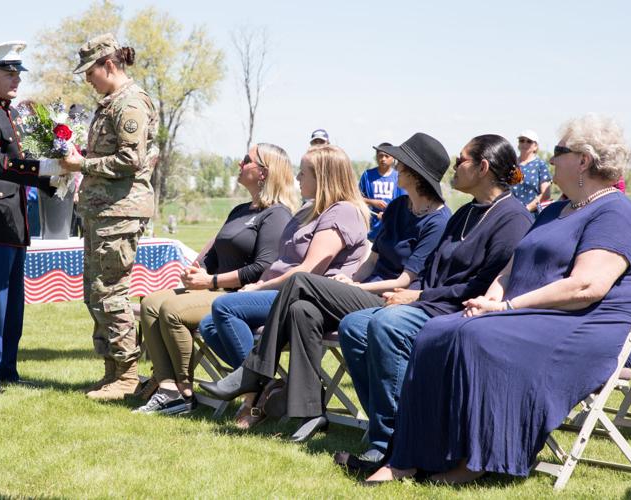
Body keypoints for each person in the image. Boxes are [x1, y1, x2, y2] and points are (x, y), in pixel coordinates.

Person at [366, 115, 631, 485]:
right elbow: (510, 269)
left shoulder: (615, 211)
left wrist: (509, 307)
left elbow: (585, 288)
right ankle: (414, 456)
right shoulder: (553, 211)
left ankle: (479, 458)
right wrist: (492, 298)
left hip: (588, 324)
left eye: (559, 152)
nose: (550, 159)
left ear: (584, 160)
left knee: (475, 337)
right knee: (437, 330)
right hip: (535, 314)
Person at [199, 133, 452, 439]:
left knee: (303, 280)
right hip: (361, 292)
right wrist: (353, 280)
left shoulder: (438, 221)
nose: (395, 167)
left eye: (401, 163)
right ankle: (311, 413)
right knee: (303, 310)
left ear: (415, 173)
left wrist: (357, 287)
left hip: (391, 301)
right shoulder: (399, 207)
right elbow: (371, 260)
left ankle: (254, 373)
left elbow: (404, 281)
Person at [328, 134, 534, 472]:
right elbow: (434, 269)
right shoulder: (466, 213)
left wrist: (418, 296)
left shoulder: (512, 220)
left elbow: (482, 285)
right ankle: (385, 436)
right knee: (354, 325)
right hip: (432, 302)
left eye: (462, 159)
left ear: (483, 168)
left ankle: (400, 448)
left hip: (461, 311)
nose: (455, 165)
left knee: (386, 324)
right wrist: (407, 294)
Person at [196, 145, 373, 415]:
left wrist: (257, 287)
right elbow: (281, 261)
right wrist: (259, 285)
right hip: (279, 292)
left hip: (308, 302)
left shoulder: (343, 212)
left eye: (304, 173)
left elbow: (309, 270)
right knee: (210, 324)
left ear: (323, 178)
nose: (298, 178)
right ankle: (266, 390)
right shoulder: (308, 211)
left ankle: (250, 391)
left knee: (225, 307)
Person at [134, 143, 298, 415]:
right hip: (214, 287)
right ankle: (167, 388)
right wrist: (197, 271)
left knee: (171, 310)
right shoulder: (240, 210)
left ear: (264, 173)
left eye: (247, 160)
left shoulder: (277, 214)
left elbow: (263, 267)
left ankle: (184, 394)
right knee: (150, 303)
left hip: (239, 296)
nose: (239, 164)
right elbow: (218, 251)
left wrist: (211, 281)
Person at [58, 34, 159, 400]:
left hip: (120, 213)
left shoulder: (129, 103)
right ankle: (112, 371)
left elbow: (131, 160)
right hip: (103, 211)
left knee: (111, 292)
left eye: (91, 71)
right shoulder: (110, 103)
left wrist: (81, 163)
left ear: (110, 65)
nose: (87, 79)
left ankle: (128, 375)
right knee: (94, 293)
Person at [0, 41, 61, 392]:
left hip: (13, 219)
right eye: (8, 72)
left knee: (12, 305)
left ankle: (4, 371)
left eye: (18, 72)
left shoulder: (7, 113)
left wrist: (53, 178)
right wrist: (43, 169)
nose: (16, 78)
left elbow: (23, 164)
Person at [359, 143, 408, 240]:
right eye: (380, 156)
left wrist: (389, 213)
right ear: (376, 157)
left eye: (387, 156)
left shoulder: (398, 176)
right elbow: (355, 199)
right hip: (371, 232)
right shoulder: (367, 175)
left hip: (392, 232)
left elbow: (404, 203)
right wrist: (372, 202)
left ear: (393, 158)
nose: (383, 159)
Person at [510, 129, 552, 213]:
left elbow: (546, 194)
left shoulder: (540, 165)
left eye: (529, 141)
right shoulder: (511, 164)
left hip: (532, 215)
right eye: (522, 141)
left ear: (535, 146)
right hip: (511, 212)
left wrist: (527, 209)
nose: (525, 144)